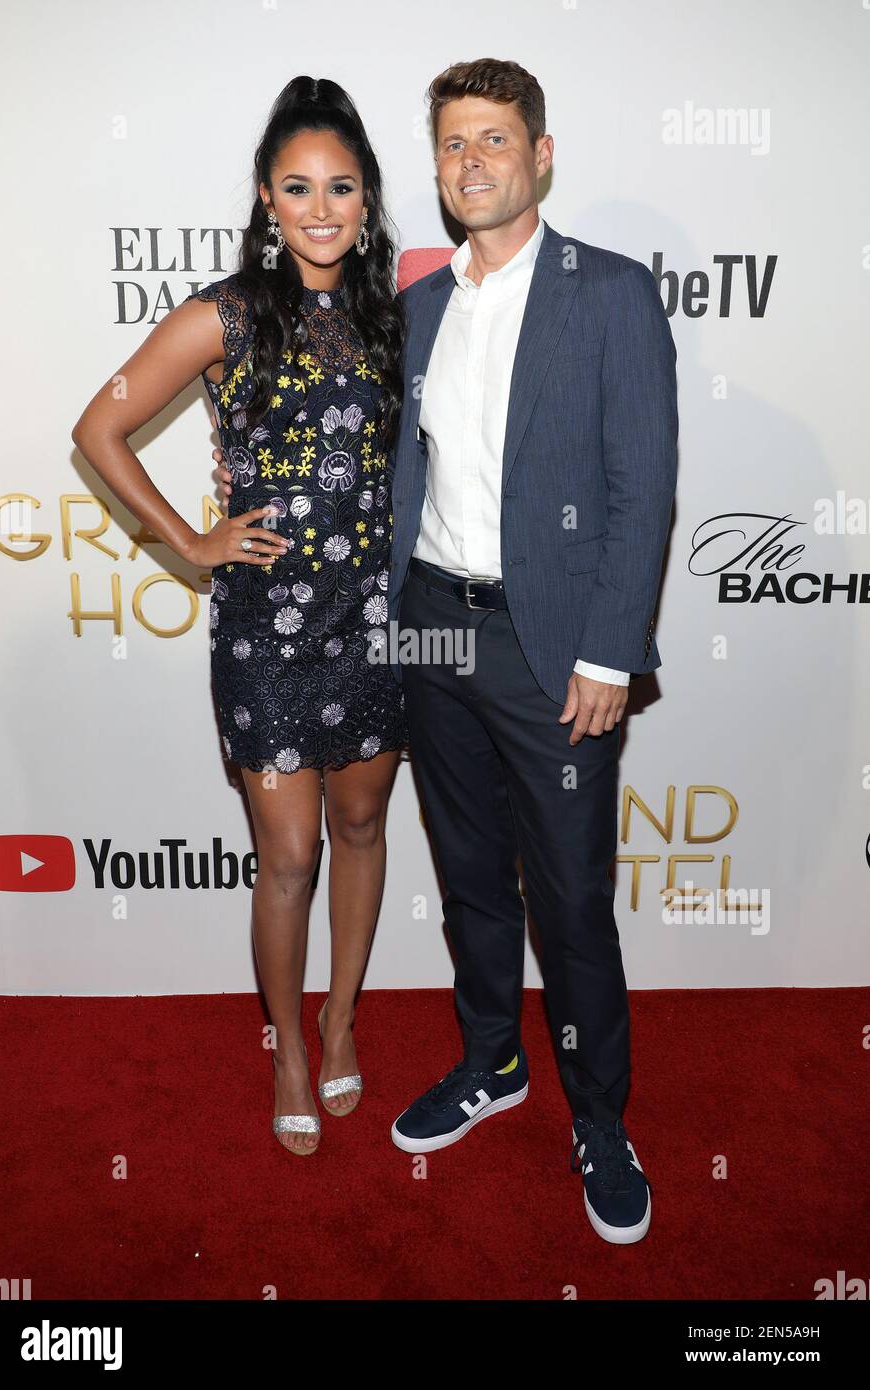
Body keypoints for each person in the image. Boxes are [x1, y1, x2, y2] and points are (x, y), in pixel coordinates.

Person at [72, 77, 408, 1156]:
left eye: (342, 186)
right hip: (263, 636)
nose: (321, 206)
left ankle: (343, 1017)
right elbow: (101, 428)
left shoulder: (397, 317)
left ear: (366, 199)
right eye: (298, 186)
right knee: (290, 857)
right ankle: (291, 1051)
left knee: (362, 827)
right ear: (267, 197)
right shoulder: (224, 314)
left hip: (370, 625)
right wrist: (192, 539)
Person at [386, 59, 677, 1245]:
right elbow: (407, 475)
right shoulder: (417, 306)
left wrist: (609, 653)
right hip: (430, 623)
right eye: (452, 143)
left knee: (569, 901)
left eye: (493, 140)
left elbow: (639, 485)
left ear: (539, 155)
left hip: (551, 647)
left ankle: (599, 1117)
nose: (471, 163)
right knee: (465, 875)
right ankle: (492, 1061)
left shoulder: (606, 292)